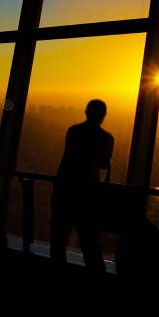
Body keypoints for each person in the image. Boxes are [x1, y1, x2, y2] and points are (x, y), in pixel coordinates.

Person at [50, 99, 114, 275]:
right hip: (87, 195)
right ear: (103, 116)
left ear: (86, 112)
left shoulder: (73, 132)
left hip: (63, 190)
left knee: (58, 240)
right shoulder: (106, 138)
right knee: (89, 242)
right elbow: (103, 165)